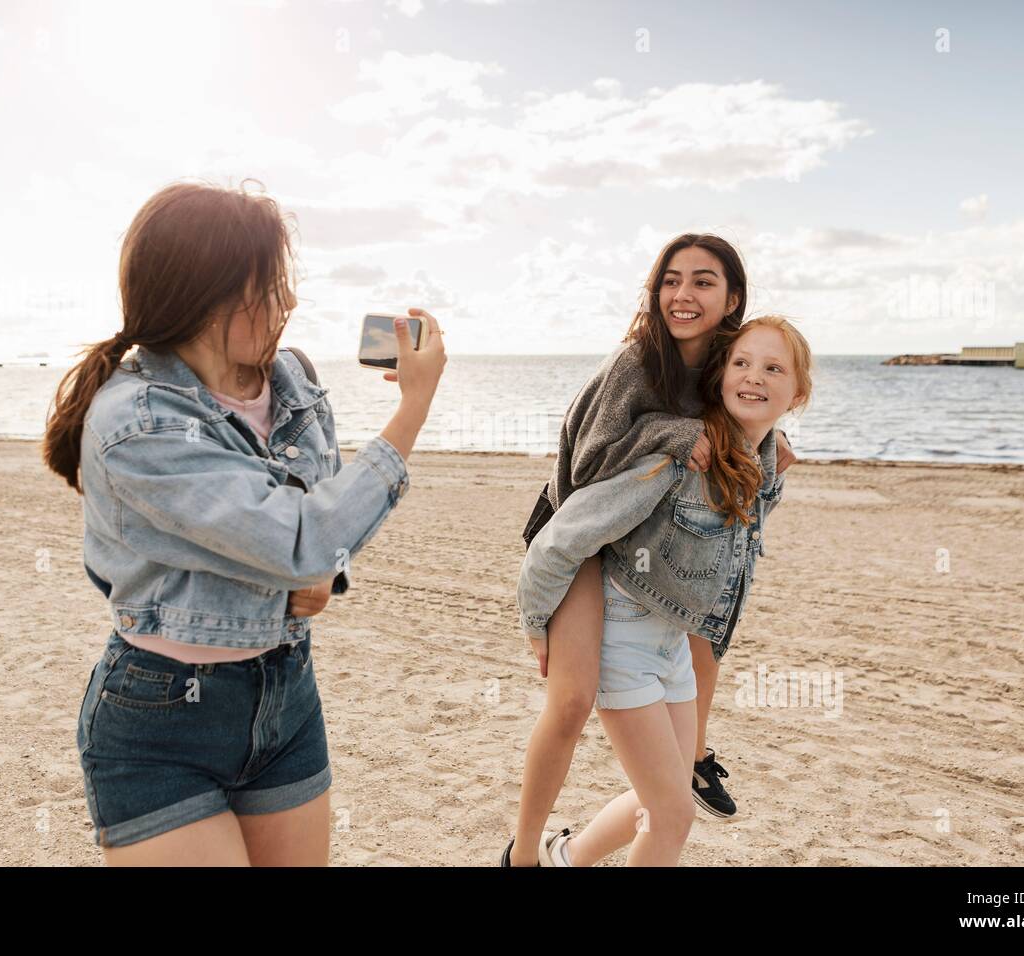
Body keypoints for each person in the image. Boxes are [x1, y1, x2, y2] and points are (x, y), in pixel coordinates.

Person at [41, 179, 446, 865]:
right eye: (269, 286)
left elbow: (322, 528)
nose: (288, 303)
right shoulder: (137, 421)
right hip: (160, 720)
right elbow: (304, 537)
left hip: (286, 695)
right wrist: (413, 409)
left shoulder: (293, 379)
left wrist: (328, 582)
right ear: (205, 294)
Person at [503, 234, 794, 866]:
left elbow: (752, 398)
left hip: (649, 539)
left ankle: (686, 765)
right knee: (573, 698)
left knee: (694, 648)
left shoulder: (727, 358)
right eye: (671, 279)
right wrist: (676, 431)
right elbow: (590, 462)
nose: (682, 295)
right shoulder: (638, 361)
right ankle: (523, 853)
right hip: (581, 523)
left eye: (703, 282)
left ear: (732, 298)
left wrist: (770, 447)